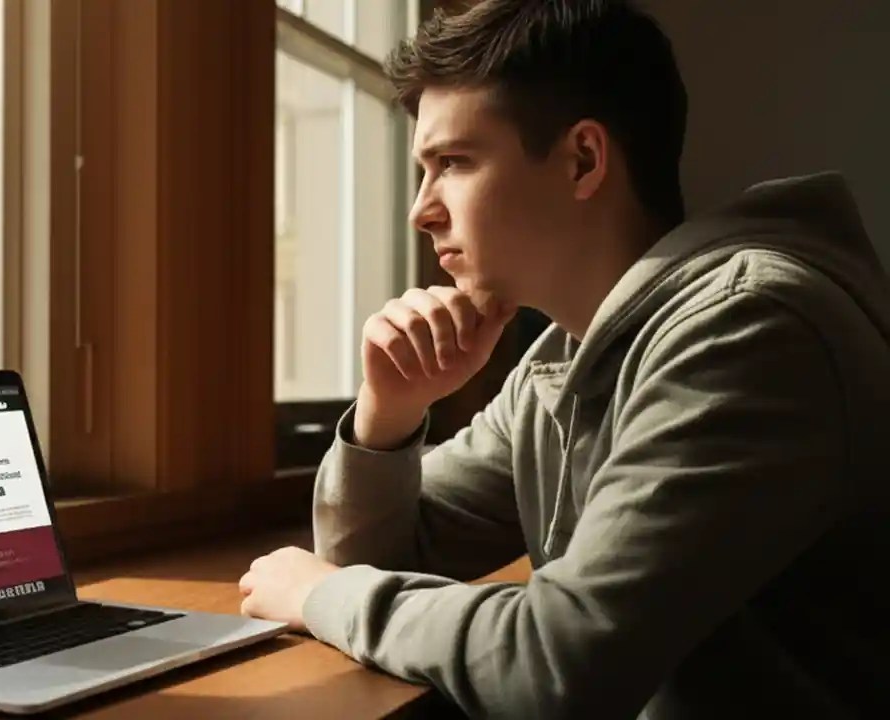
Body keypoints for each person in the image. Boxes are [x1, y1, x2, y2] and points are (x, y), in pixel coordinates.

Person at [237, 1, 890, 717]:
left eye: (452, 162)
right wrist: (388, 413)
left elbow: (555, 664)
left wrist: (319, 596)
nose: (421, 210)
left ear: (583, 159)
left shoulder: (749, 331)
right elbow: (380, 556)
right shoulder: (566, 354)